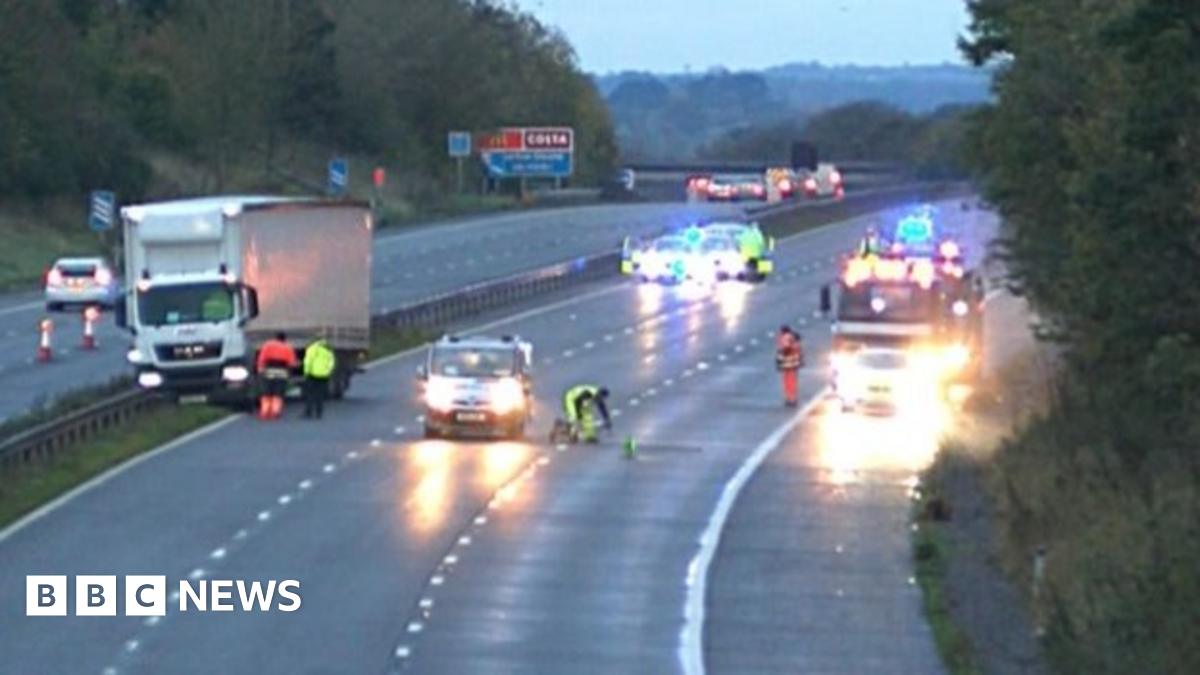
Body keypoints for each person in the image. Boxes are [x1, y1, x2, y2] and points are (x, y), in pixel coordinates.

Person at [256, 332, 297, 420]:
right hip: (282, 372)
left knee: (267, 392)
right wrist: (290, 373)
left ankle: (265, 412)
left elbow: (261, 358)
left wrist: (260, 369)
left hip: (268, 371)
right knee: (277, 393)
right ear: (284, 339)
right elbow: (292, 363)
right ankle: (275, 412)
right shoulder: (288, 347)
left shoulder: (267, 345)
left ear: (275, 337)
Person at [302, 338, 336, 419]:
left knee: (310, 394)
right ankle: (319, 412)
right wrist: (328, 372)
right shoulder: (328, 351)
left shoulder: (312, 348)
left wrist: (306, 372)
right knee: (320, 394)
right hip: (324, 375)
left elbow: (308, 361)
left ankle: (308, 412)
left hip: (312, 374)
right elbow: (331, 363)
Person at [775, 326, 805, 406]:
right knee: (792, 381)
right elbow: (798, 350)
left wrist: (778, 363)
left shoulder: (783, 338)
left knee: (787, 381)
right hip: (794, 363)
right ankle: (793, 398)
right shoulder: (794, 338)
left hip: (786, 363)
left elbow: (782, 351)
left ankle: (789, 398)